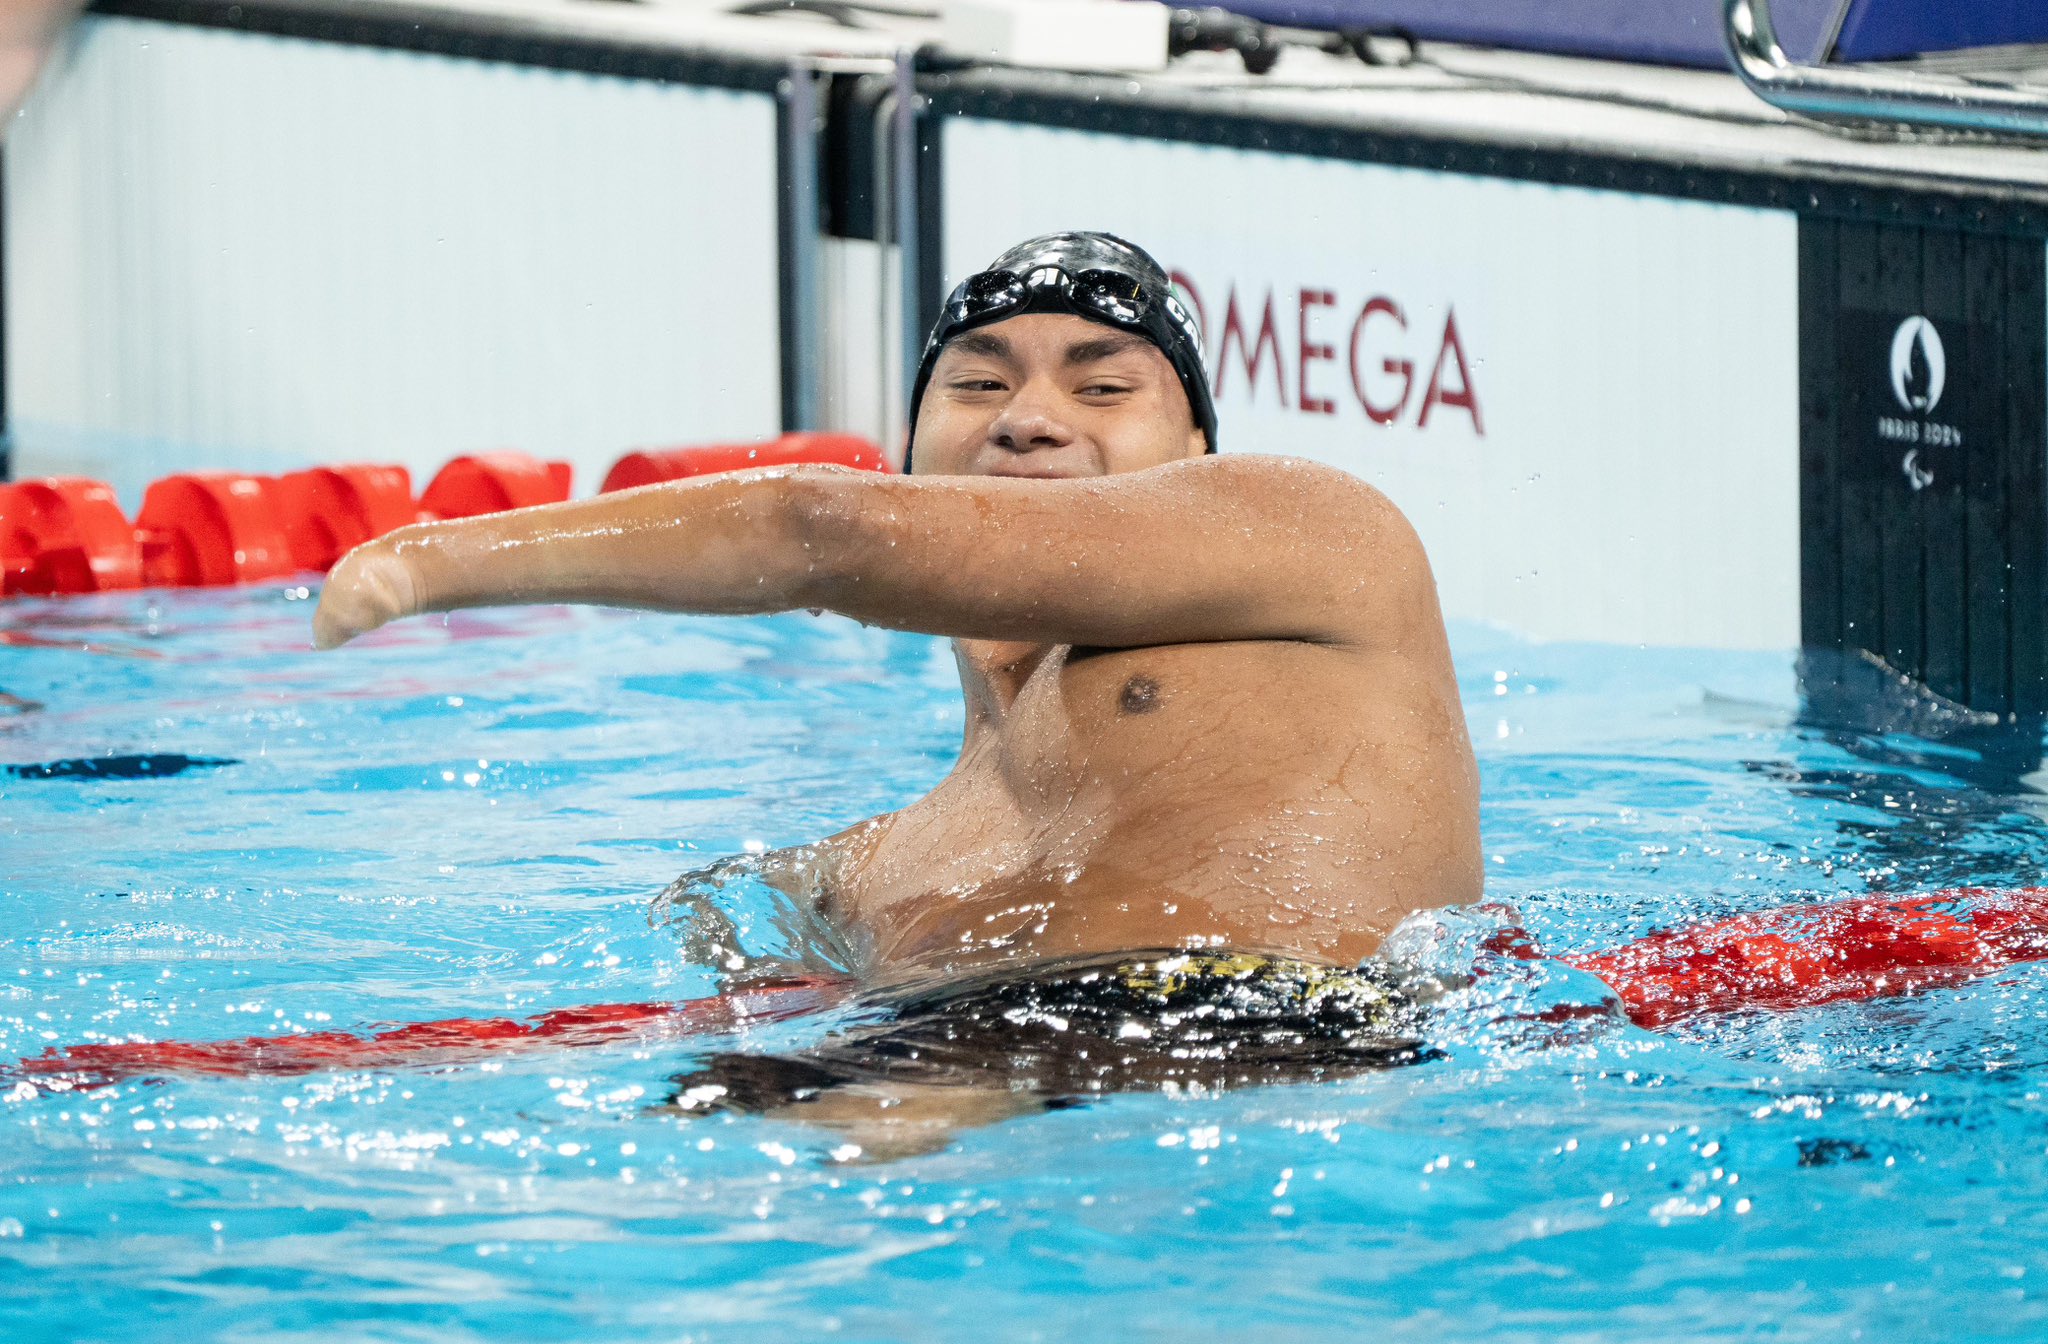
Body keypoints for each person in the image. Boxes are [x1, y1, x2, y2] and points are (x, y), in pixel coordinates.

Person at [316, 231, 1483, 1150]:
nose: (1028, 420)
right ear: (918, 453)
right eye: (977, 381)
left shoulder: (1320, 534)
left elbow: (815, 527)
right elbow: (738, 920)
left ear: (1197, 449)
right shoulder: (876, 864)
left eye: (1101, 387)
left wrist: (428, 559)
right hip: (1014, 1074)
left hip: (1282, 1035)